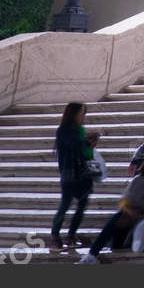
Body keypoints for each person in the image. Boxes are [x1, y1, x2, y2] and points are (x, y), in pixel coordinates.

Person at [79, 150, 144, 265]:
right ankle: (92, 254)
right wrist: (130, 211)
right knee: (118, 216)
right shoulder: (138, 180)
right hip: (137, 213)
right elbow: (125, 200)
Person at [50, 102, 96, 248]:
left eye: (84, 113)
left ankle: (71, 234)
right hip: (69, 173)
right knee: (65, 204)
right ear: (73, 114)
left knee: (82, 205)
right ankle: (55, 234)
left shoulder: (80, 130)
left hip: (83, 172)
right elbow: (75, 145)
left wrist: (89, 143)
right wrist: (88, 142)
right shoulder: (63, 130)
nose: (83, 116)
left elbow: (85, 150)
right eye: (80, 113)